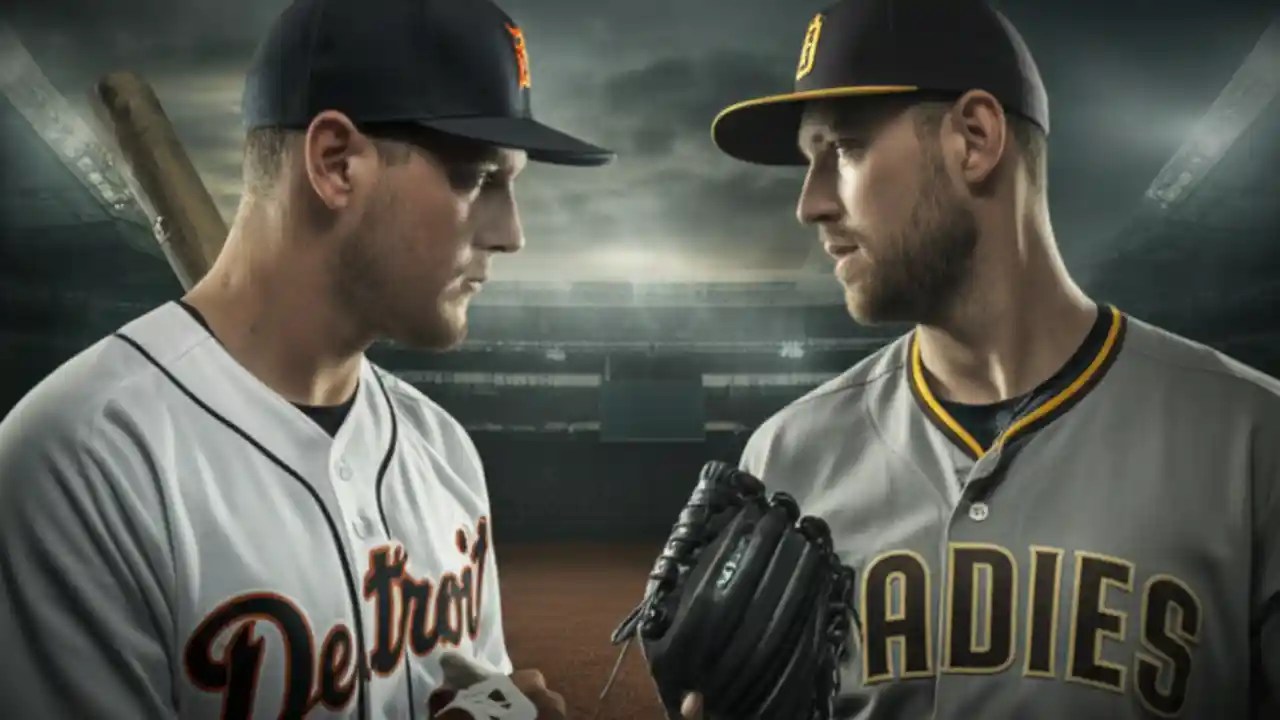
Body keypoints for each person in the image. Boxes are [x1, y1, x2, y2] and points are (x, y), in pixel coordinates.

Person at [0, 0, 612, 718]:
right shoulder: (79, 463)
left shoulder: (443, 452)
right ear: (335, 163)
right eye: (479, 179)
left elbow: (477, 695)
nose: (511, 234)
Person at [683, 0, 1280, 718]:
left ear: (974, 137)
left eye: (841, 149)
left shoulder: (1254, 442)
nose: (810, 203)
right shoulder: (785, 460)